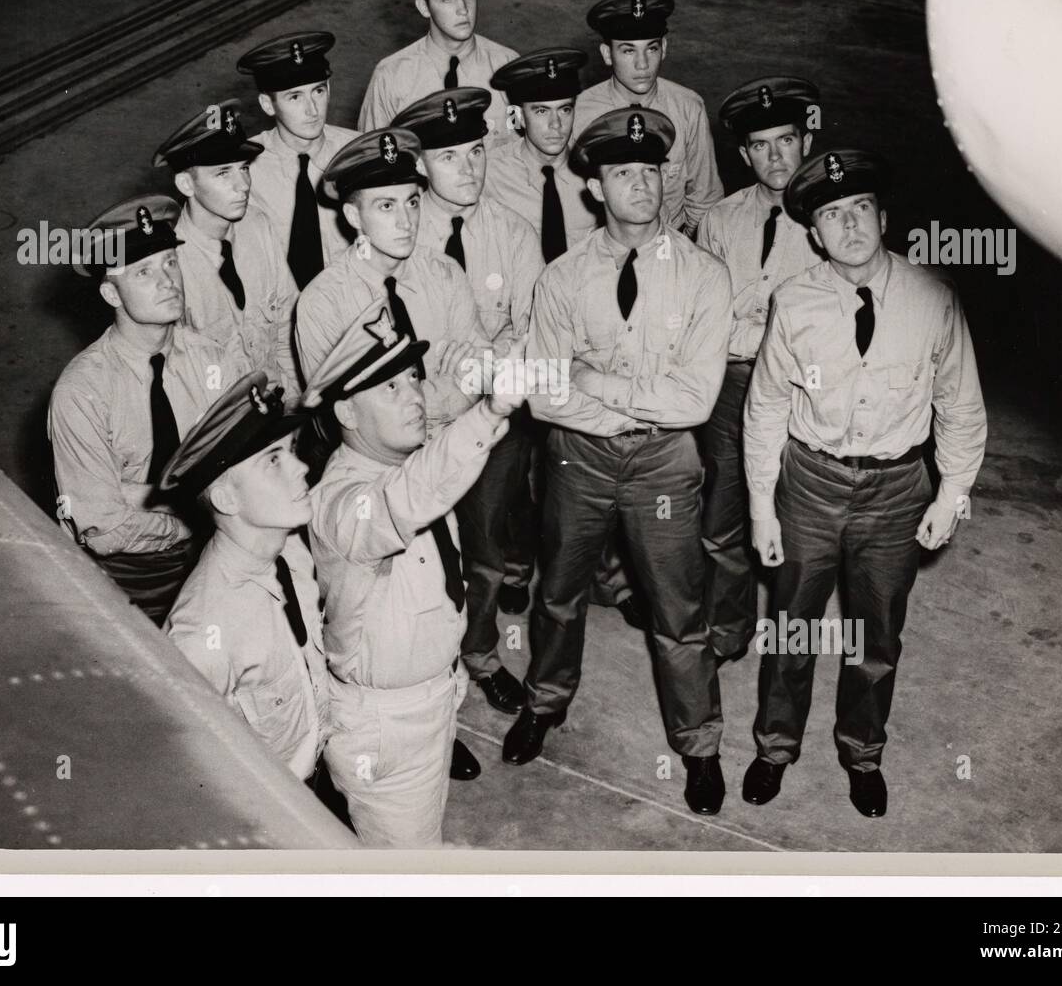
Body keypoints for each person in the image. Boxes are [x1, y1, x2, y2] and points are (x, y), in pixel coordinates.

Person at [740, 148, 988, 817]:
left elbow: (959, 405)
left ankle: (863, 752)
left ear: (883, 216)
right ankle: (774, 747)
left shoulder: (933, 298)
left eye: (859, 209)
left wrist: (950, 491)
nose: (848, 225)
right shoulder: (793, 302)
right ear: (813, 233)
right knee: (792, 628)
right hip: (810, 486)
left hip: (896, 489)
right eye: (830, 215)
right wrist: (762, 507)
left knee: (875, 635)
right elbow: (765, 406)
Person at [502, 107, 735, 816]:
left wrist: (596, 384)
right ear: (594, 189)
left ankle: (698, 745)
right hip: (577, 461)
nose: (642, 183)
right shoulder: (563, 277)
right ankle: (544, 702)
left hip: (664, 466)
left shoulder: (704, 276)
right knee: (558, 593)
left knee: (678, 609)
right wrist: (635, 402)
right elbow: (543, 397)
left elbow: (694, 402)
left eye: (651, 169)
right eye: (622, 172)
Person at [305, 301, 528, 846]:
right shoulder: (343, 500)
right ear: (346, 415)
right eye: (389, 389)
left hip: (432, 695)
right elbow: (403, 502)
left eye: (413, 380)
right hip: (387, 722)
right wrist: (489, 411)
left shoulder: (403, 460)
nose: (414, 398)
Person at [390, 87, 543, 714]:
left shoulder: (512, 232)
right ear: (421, 165)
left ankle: (478, 654)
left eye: (476, 152)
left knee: (484, 553)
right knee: (408, 557)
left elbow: (533, 330)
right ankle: (415, 672)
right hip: (412, 421)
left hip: (487, 421)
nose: (469, 169)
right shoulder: (397, 233)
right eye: (450, 157)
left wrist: (486, 372)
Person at [48, 194, 240, 627]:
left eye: (170, 262)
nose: (168, 280)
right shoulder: (83, 390)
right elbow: (105, 530)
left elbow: (244, 468)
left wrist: (143, 497)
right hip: (124, 583)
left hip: (216, 561)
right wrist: (191, 512)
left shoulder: (213, 361)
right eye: (144, 272)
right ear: (110, 292)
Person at [695, 76, 824, 662]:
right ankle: (728, 628)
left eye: (787, 141)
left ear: (807, 140)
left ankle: (791, 640)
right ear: (743, 154)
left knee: (797, 520)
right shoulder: (719, 222)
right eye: (762, 146)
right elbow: (706, 322)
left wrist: (748, 325)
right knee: (722, 515)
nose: (777, 157)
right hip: (730, 387)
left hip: (803, 392)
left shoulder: (833, 224)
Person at [160, 372, 331, 791]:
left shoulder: (288, 549)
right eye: (273, 460)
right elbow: (194, 773)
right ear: (226, 499)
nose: (303, 466)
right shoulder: (202, 635)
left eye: (289, 450)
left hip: (319, 766)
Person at [293, 127, 489, 443]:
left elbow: (485, 371)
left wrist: (390, 397)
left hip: (459, 443)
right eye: (386, 206)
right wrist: (447, 388)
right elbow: (342, 416)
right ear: (353, 215)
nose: (406, 221)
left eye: (411, 202)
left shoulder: (444, 272)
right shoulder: (322, 302)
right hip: (381, 468)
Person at [152, 98, 300, 396]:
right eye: (223, 173)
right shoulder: (170, 265)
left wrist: (296, 397)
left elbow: (287, 321)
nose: (243, 185)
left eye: (243, 168)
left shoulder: (257, 225)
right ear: (186, 185)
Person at [571, 0, 722, 238]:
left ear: (664, 47)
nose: (642, 65)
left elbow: (704, 200)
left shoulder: (688, 106)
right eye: (628, 51)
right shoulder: (581, 112)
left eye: (651, 49)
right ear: (607, 54)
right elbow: (574, 208)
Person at [358, 0, 518, 145]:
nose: (463, 9)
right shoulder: (391, 76)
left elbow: (525, 153)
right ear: (424, 7)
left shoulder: (507, 67)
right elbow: (372, 159)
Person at [237, 31, 359, 290]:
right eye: (294, 97)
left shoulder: (359, 153)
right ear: (267, 105)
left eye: (318, 91)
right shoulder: (243, 167)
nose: (312, 109)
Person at [486, 47, 601, 260]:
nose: (556, 124)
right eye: (541, 111)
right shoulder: (490, 173)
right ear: (518, 116)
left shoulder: (595, 171)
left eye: (565, 110)